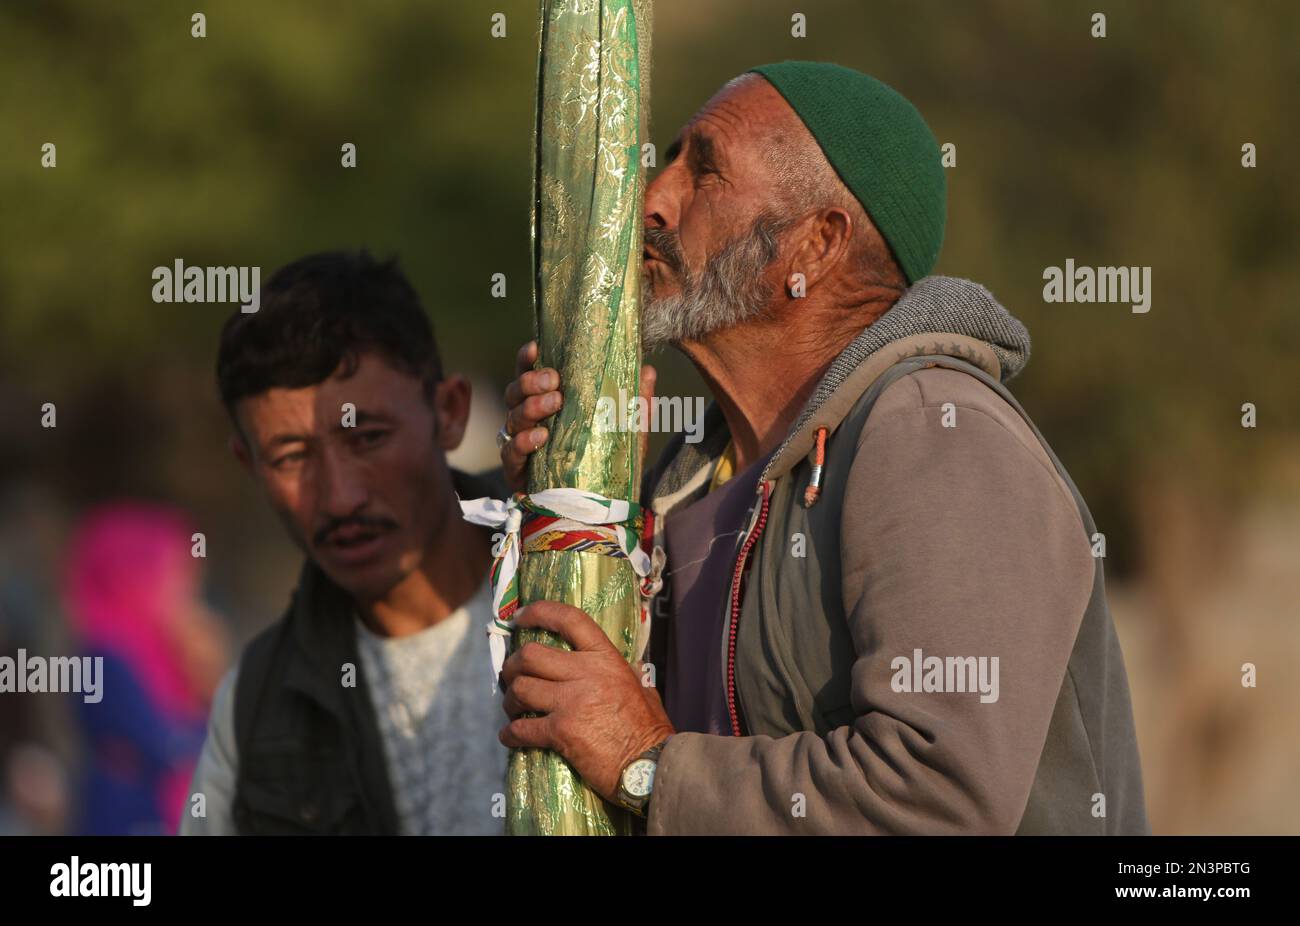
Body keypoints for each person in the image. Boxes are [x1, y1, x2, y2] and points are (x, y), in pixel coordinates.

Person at [496, 61, 1149, 834]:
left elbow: (938, 803)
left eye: (703, 171)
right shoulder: (689, 482)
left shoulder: (937, 434)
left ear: (815, 246)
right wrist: (572, 501)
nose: (653, 201)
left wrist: (649, 762)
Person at [182, 250, 505, 835]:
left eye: (368, 439)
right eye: (290, 457)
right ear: (248, 465)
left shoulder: (605, 582)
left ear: (449, 412)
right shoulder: (257, 708)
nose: (339, 498)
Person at [65, 502, 225, 834]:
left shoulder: (161, 652)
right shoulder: (104, 655)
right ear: (135, 577)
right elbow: (161, 745)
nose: (185, 595)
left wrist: (208, 676)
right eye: (174, 577)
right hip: (123, 817)